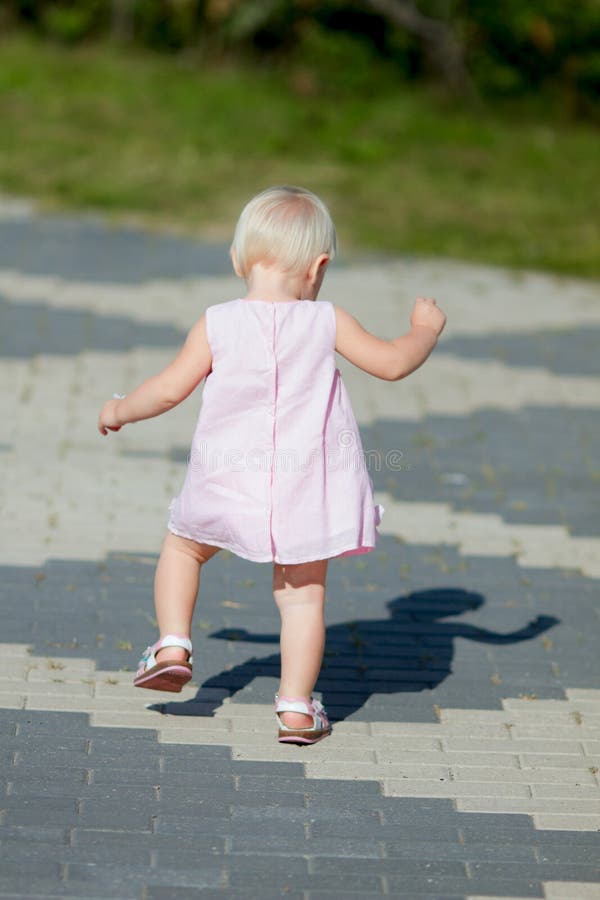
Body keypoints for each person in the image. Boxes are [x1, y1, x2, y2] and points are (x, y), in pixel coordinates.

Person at [97, 185, 446, 745]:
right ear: (319, 267)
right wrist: (424, 329)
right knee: (302, 597)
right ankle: (297, 709)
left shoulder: (216, 323)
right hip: (306, 490)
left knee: (184, 549)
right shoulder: (327, 320)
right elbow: (393, 363)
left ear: (237, 259)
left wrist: (118, 409)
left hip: (225, 478)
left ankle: (172, 644)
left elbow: (165, 391)